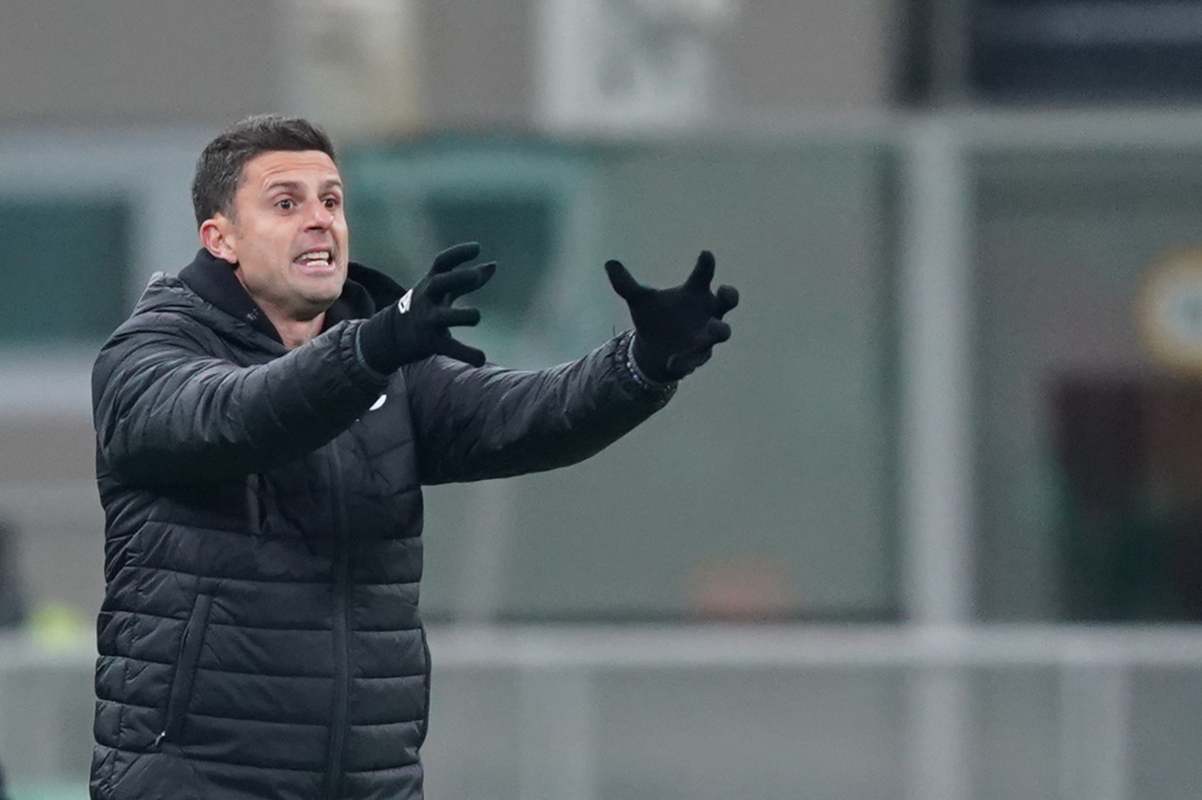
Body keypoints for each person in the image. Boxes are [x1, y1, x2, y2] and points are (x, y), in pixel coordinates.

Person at [89, 114, 738, 800]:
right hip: (196, 780)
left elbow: (527, 413)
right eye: (286, 203)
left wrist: (641, 363)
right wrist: (370, 349)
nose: (319, 220)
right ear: (219, 238)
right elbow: (237, 415)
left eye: (331, 200)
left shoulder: (384, 362)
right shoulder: (149, 355)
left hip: (370, 781)